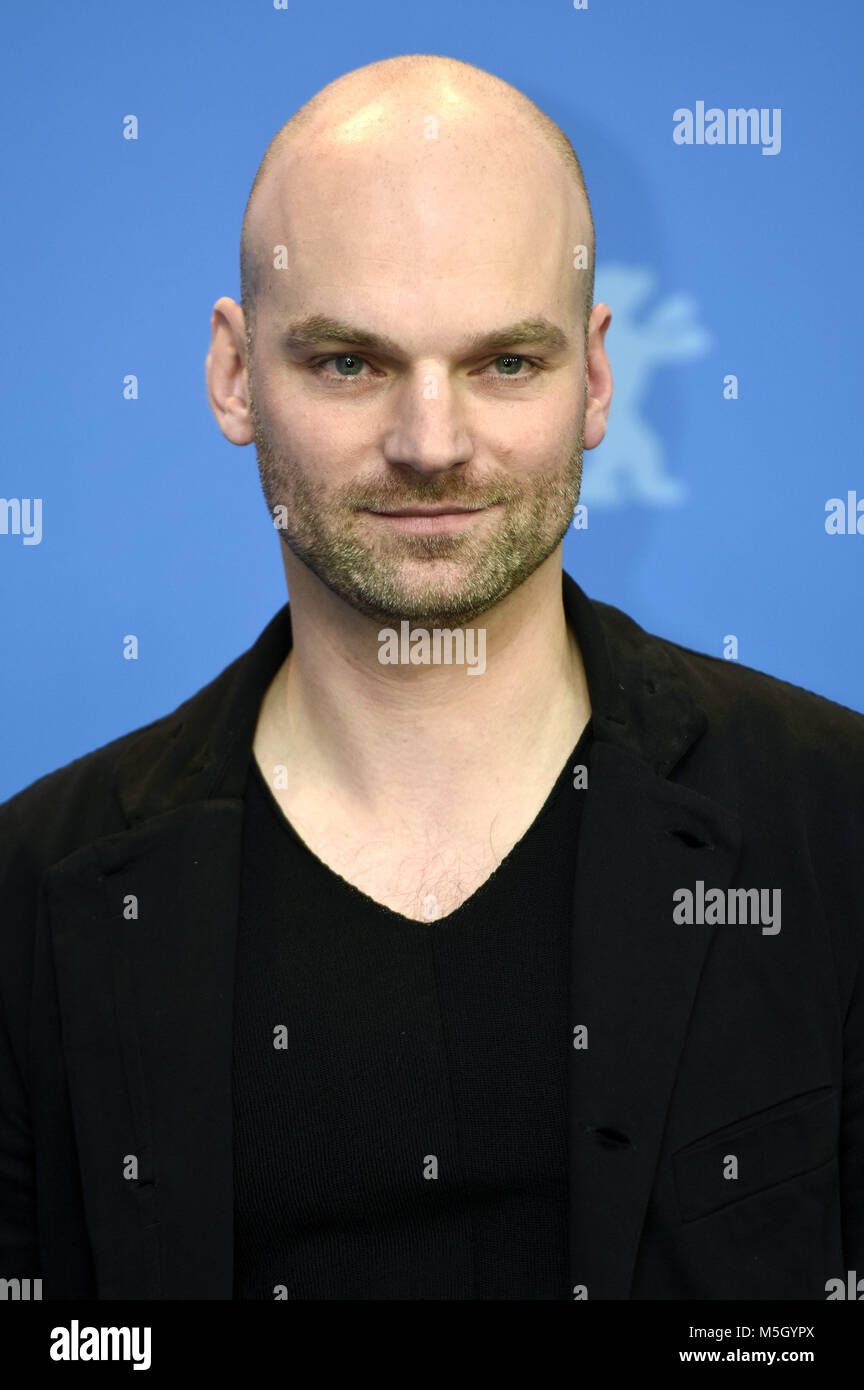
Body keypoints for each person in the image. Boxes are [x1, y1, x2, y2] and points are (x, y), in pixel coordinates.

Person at [1, 53, 862, 1302]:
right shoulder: (36, 899)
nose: (431, 444)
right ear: (236, 375)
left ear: (595, 375)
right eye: (349, 363)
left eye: (506, 362)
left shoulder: (834, 827)